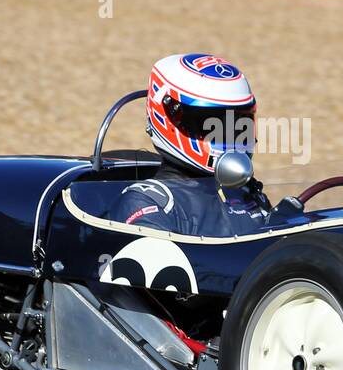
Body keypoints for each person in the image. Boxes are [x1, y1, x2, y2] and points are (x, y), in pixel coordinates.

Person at [110, 54, 268, 236]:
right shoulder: (149, 202)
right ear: (172, 115)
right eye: (212, 125)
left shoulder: (244, 192)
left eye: (237, 123)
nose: (228, 135)